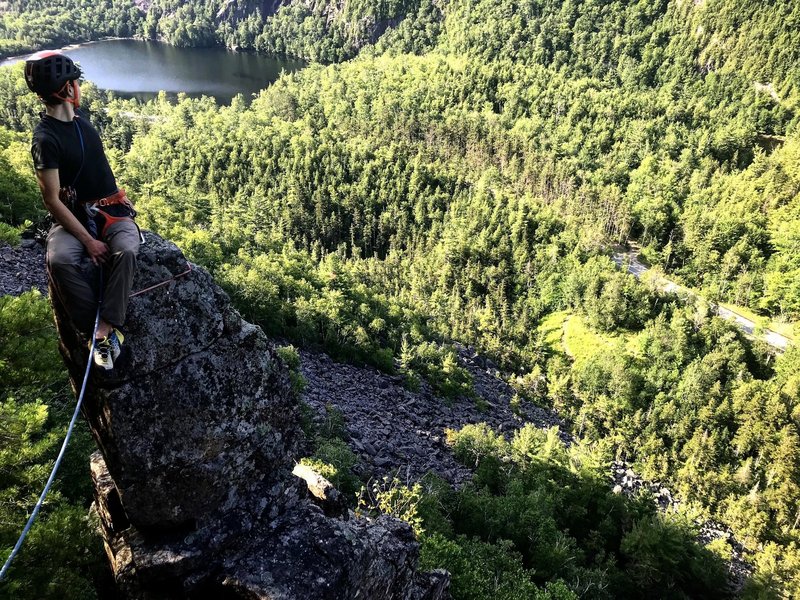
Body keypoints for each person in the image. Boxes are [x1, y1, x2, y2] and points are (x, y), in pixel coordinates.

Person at [25, 51, 140, 370]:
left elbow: (97, 174)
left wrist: (114, 200)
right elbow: (51, 199)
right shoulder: (45, 139)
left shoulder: (83, 124)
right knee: (60, 260)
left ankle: (105, 330)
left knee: (127, 251)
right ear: (64, 88)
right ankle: (96, 333)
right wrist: (88, 242)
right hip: (73, 217)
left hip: (111, 211)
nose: (79, 87)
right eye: (75, 82)